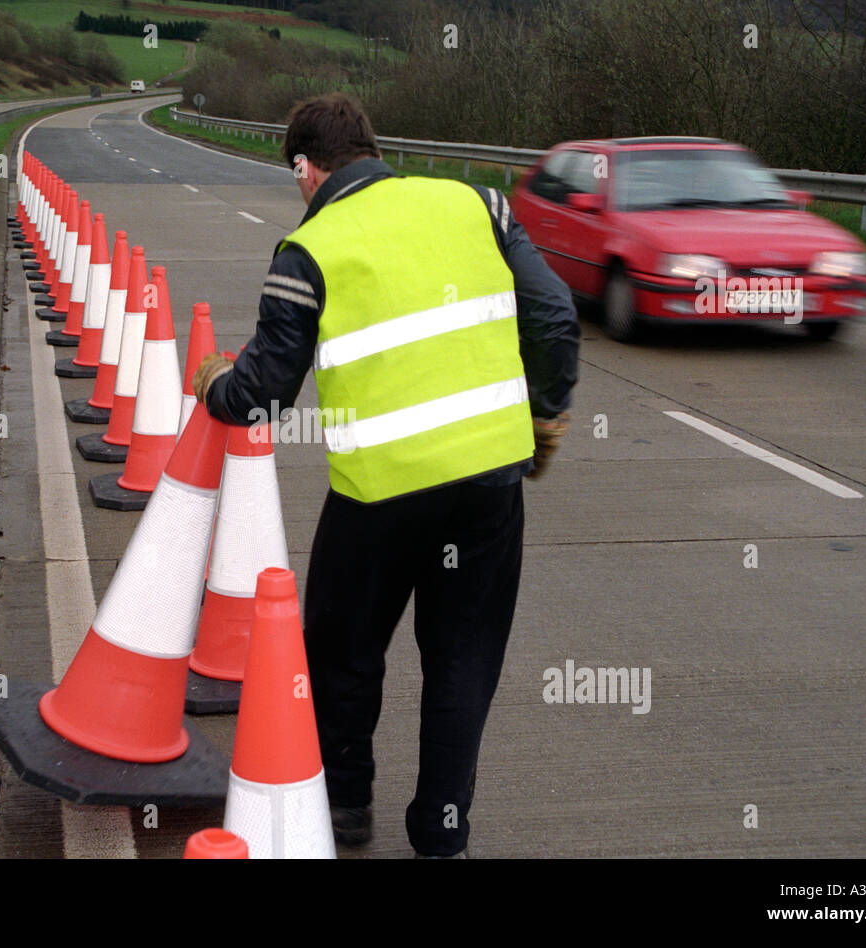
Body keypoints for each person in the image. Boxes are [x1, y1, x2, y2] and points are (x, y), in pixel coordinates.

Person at [193, 93, 580, 858]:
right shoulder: (479, 205)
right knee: (462, 663)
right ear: (373, 150)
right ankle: (442, 835)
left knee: (343, 656)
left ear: (306, 168)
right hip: (487, 492)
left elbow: (261, 396)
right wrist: (543, 413)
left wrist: (211, 379)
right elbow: (556, 316)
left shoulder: (308, 248)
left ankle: (345, 811)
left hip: (377, 501)